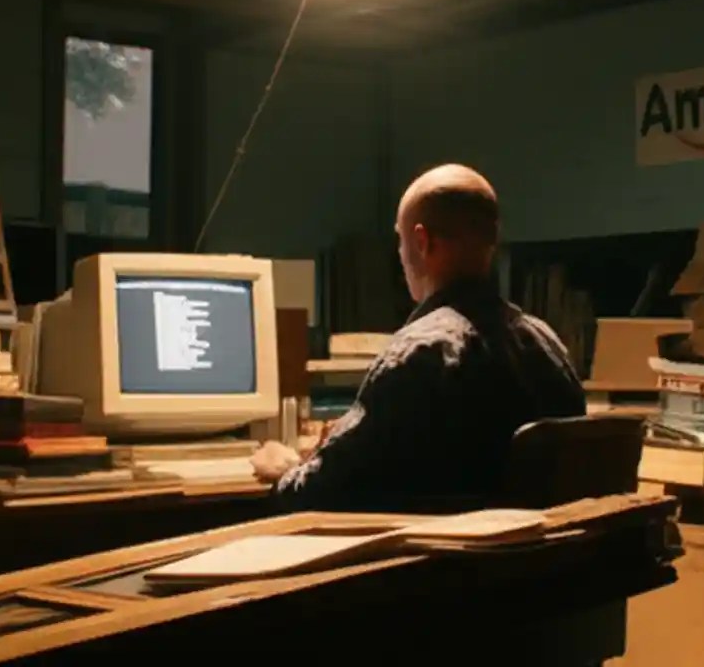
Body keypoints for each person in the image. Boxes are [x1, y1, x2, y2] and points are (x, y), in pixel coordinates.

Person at [251, 164, 586, 512]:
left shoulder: (419, 353)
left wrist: (287, 468)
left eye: (401, 239)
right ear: (492, 239)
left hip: (437, 562)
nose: (400, 253)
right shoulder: (549, 346)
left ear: (422, 242)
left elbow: (321, 492)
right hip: (540, 562)